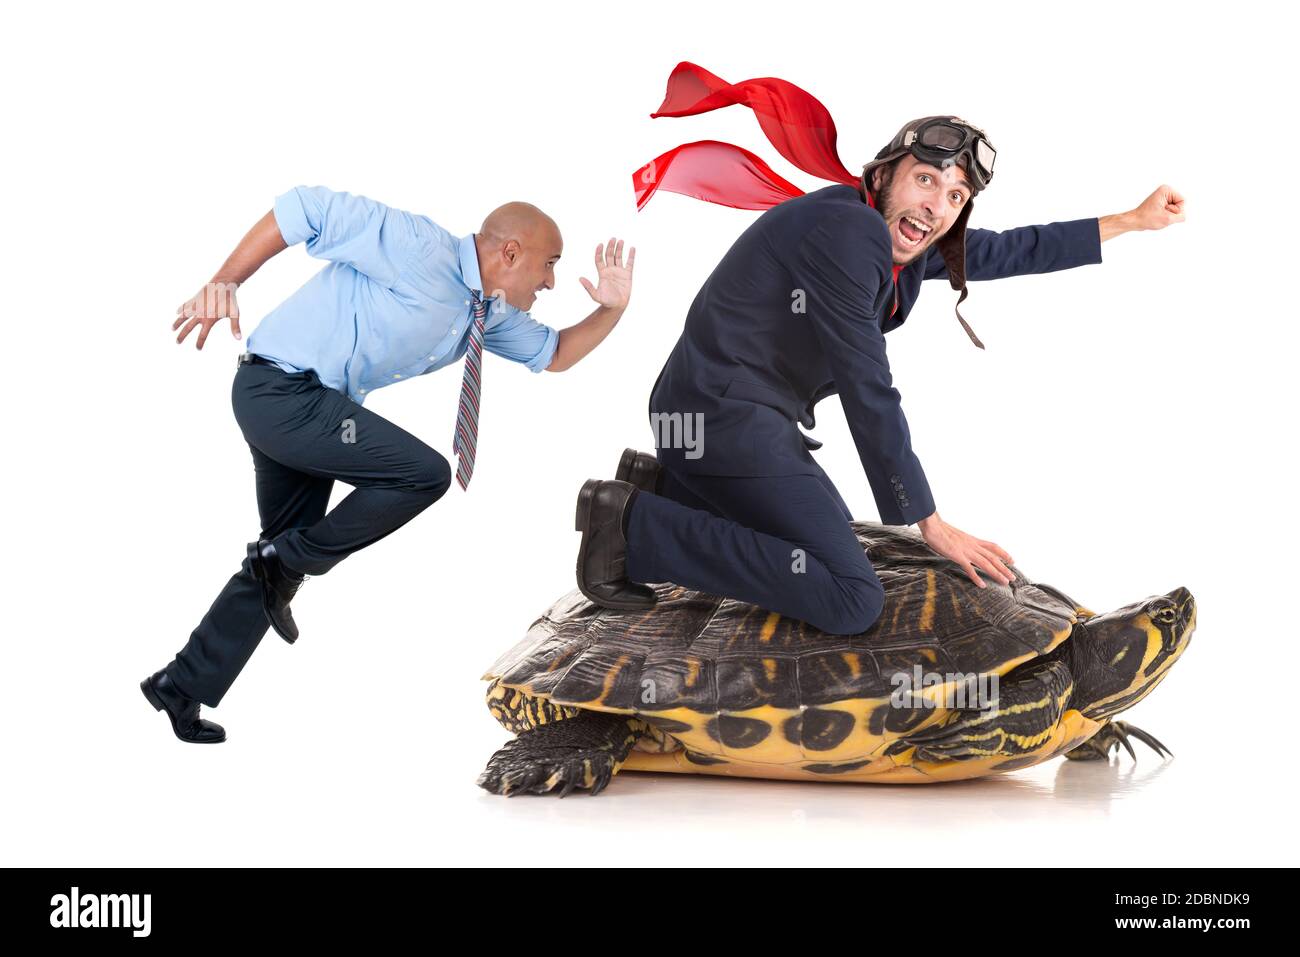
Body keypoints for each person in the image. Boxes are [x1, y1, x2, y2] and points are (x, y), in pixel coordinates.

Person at [573, 64, 1184, 635]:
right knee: (851, 595)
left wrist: (1131, 220)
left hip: (722, 419)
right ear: (884, 173)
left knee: (832, 542)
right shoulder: (848, 232)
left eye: (955, 196)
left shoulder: (904, 251)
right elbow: (868, 385)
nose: (937, 206)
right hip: (720, 414)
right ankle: (629, 526)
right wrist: (929, 520)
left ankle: (665, 490)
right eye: (926, 179)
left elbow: (1017, 249)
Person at [143, 187, 636, 743]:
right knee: (421, 474)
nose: (550, 282)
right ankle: (284, 559)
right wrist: (225, 281)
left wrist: (611, 309)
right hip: (281, 393)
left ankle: (180, 684)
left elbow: (556, 355)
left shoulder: (487, 312)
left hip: (313, 409)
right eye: (549, 266)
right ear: (511, 253)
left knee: (279, 557)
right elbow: (301, 208)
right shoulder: (416, 247)